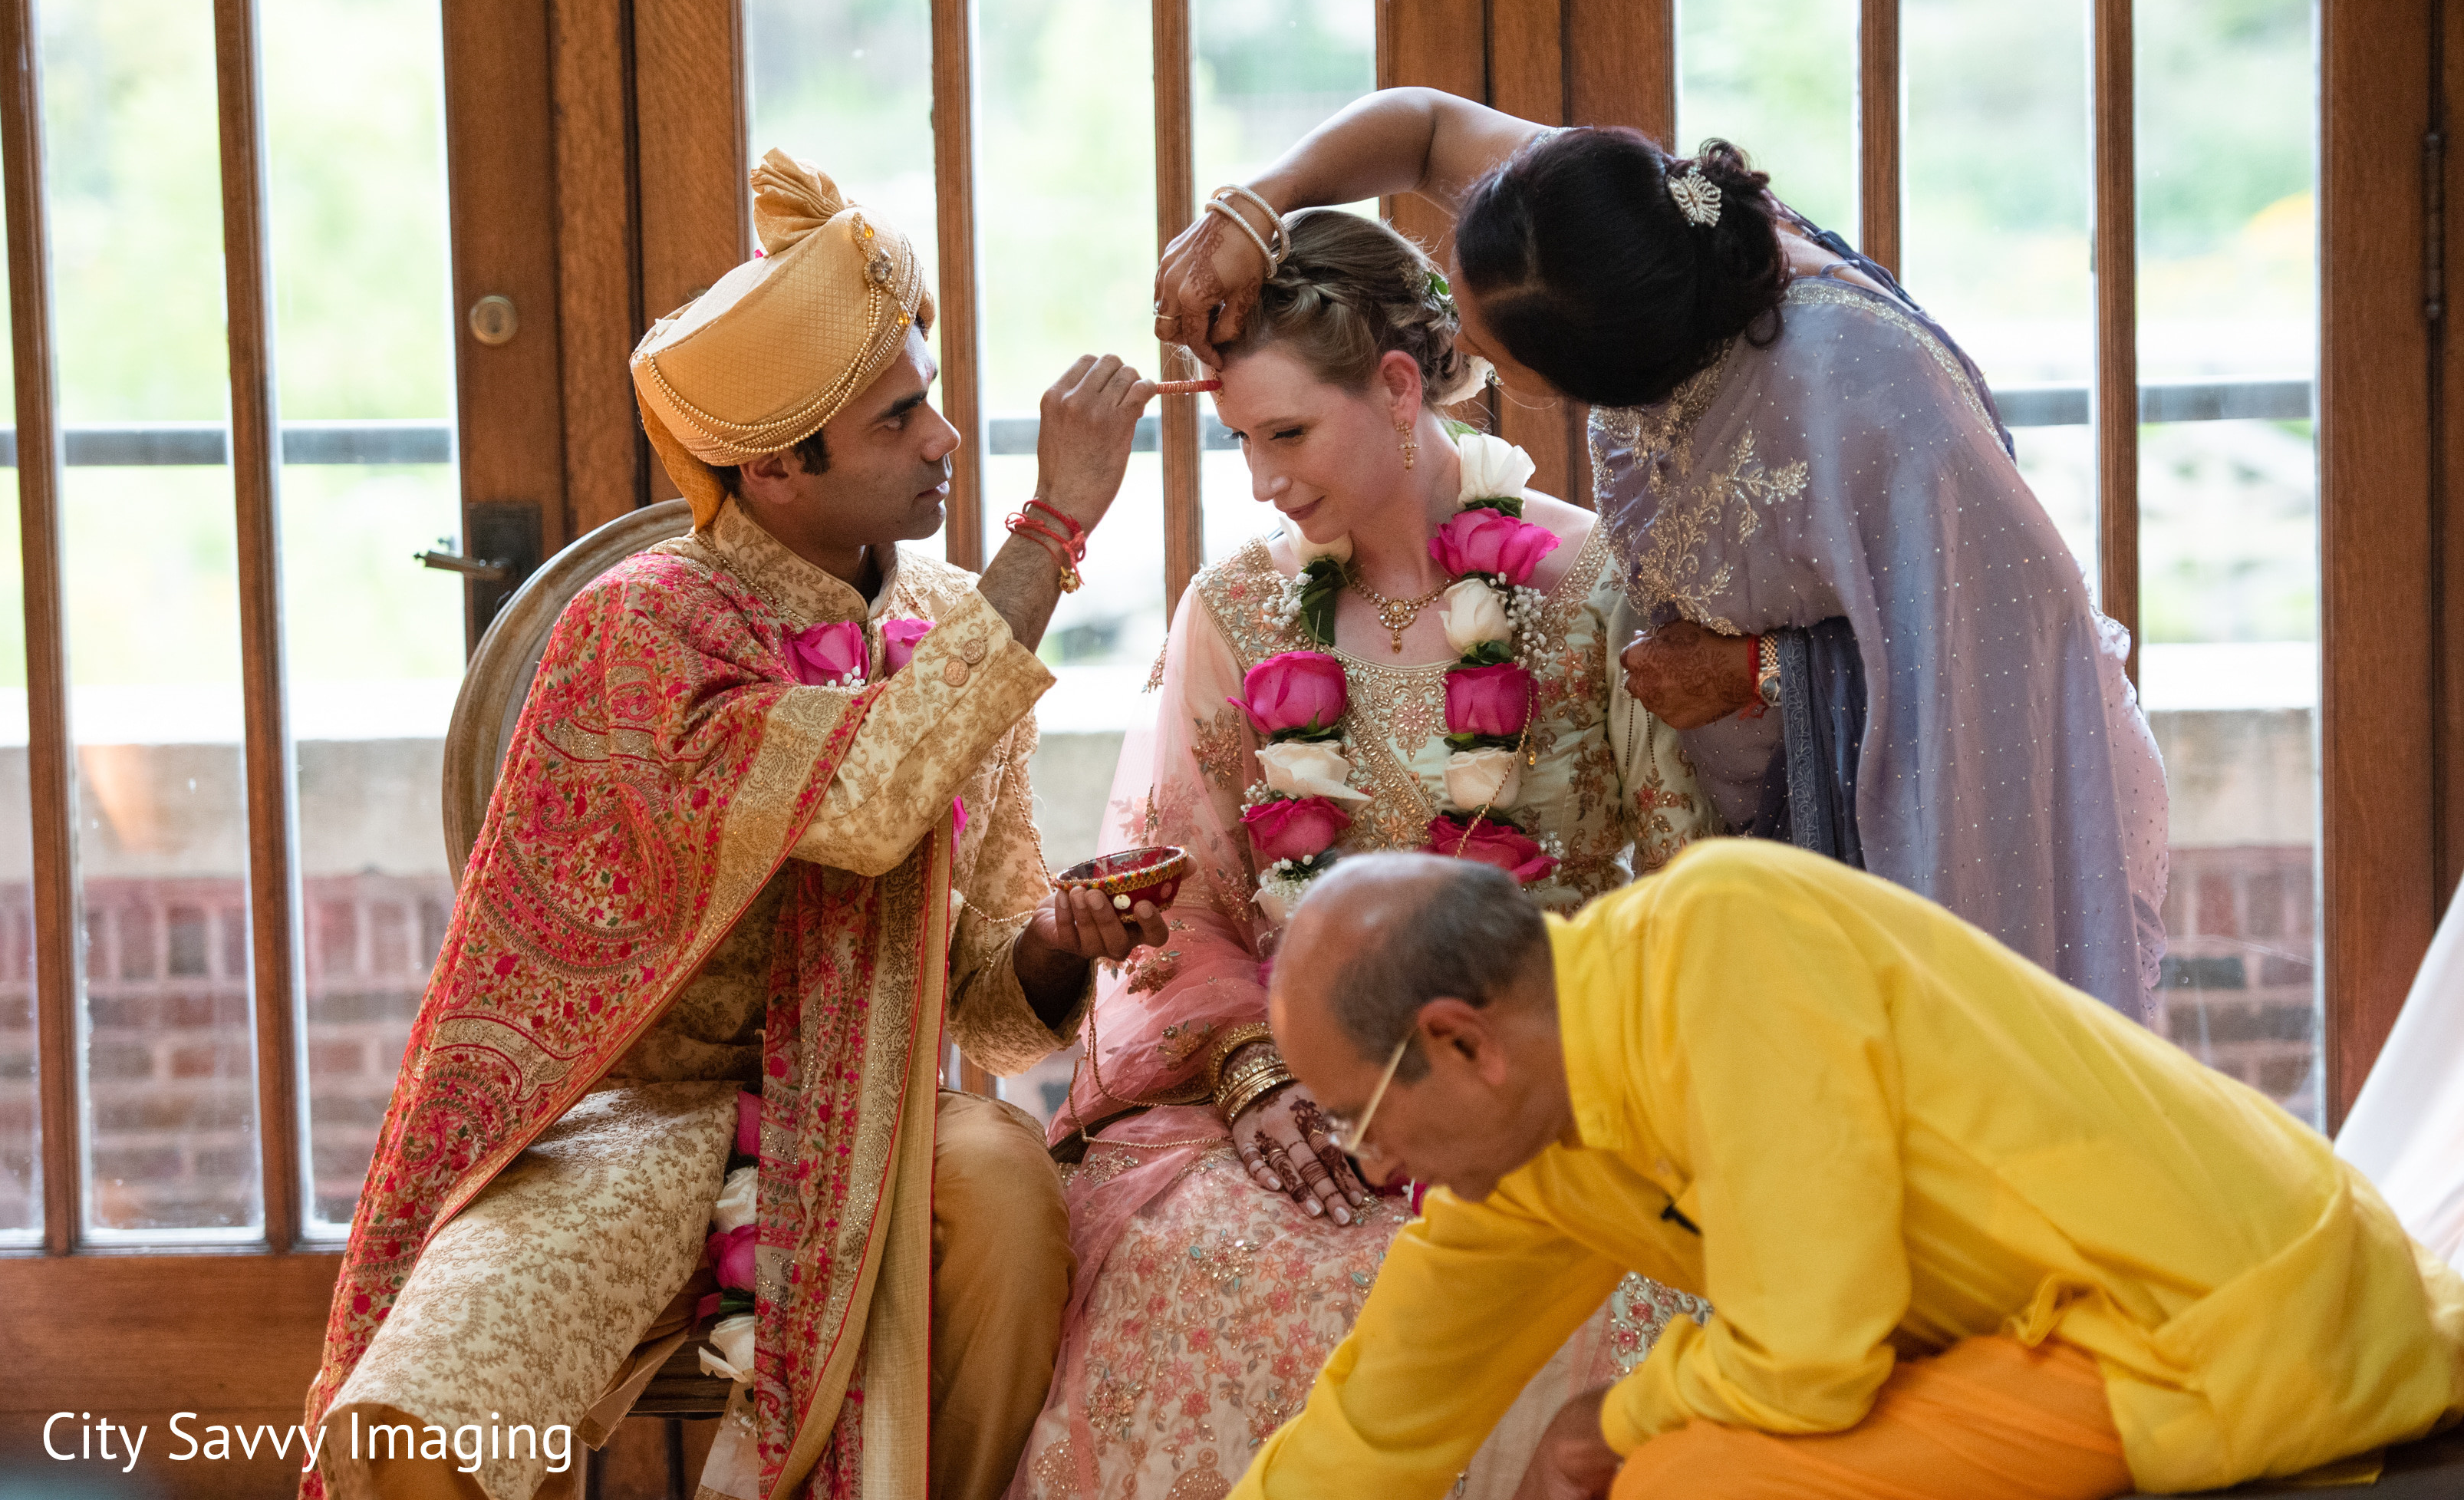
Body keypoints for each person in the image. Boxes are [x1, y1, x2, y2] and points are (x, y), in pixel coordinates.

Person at [301, 151, 1170, 1500]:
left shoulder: (949, 628)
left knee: (1003, 1183)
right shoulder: (648, 627)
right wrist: (1054, 526)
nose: (942, 439)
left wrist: (1061, 933)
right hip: (619, 1127)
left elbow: (993, 1013)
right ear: (772, 466)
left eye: (927, 399)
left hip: (873, 1117)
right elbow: (872, 795)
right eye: (898, 419)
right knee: (408, 1428)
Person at [1153, 92, 2170, 1020]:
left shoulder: (1865, 396)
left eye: (1493, 354)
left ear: (1608, 380)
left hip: (1972, 821)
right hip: (1774, 828)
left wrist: (1758, 671)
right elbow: (1420, 128)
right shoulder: (1594, 229)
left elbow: (2011, 659)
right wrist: (1251, 208)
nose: (1452, 348)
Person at [1003, 210, 1711, 1500]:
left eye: (1287, 434)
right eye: (1239, 443)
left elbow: (1680, 883)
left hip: (1544, 1079)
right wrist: (1261, 1074)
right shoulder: (1236, 606)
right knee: (1213, 1260)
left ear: (1396, 389)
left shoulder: (1589, 579)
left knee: (1611, 1284)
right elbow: (1183, 895)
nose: (1264, 481)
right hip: (1298, 1087)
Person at [1231, 843, 2464, 1500]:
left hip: (2213, 1312)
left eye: (1362, 1118)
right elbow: (1379, 1417)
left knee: (1687, 1485)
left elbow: (1804, 1363)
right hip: (2067, 1340)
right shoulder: (1532, 1151)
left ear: (1460, 1042)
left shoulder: (1724, 937)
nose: (1373, 1162)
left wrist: (1598, 1420)